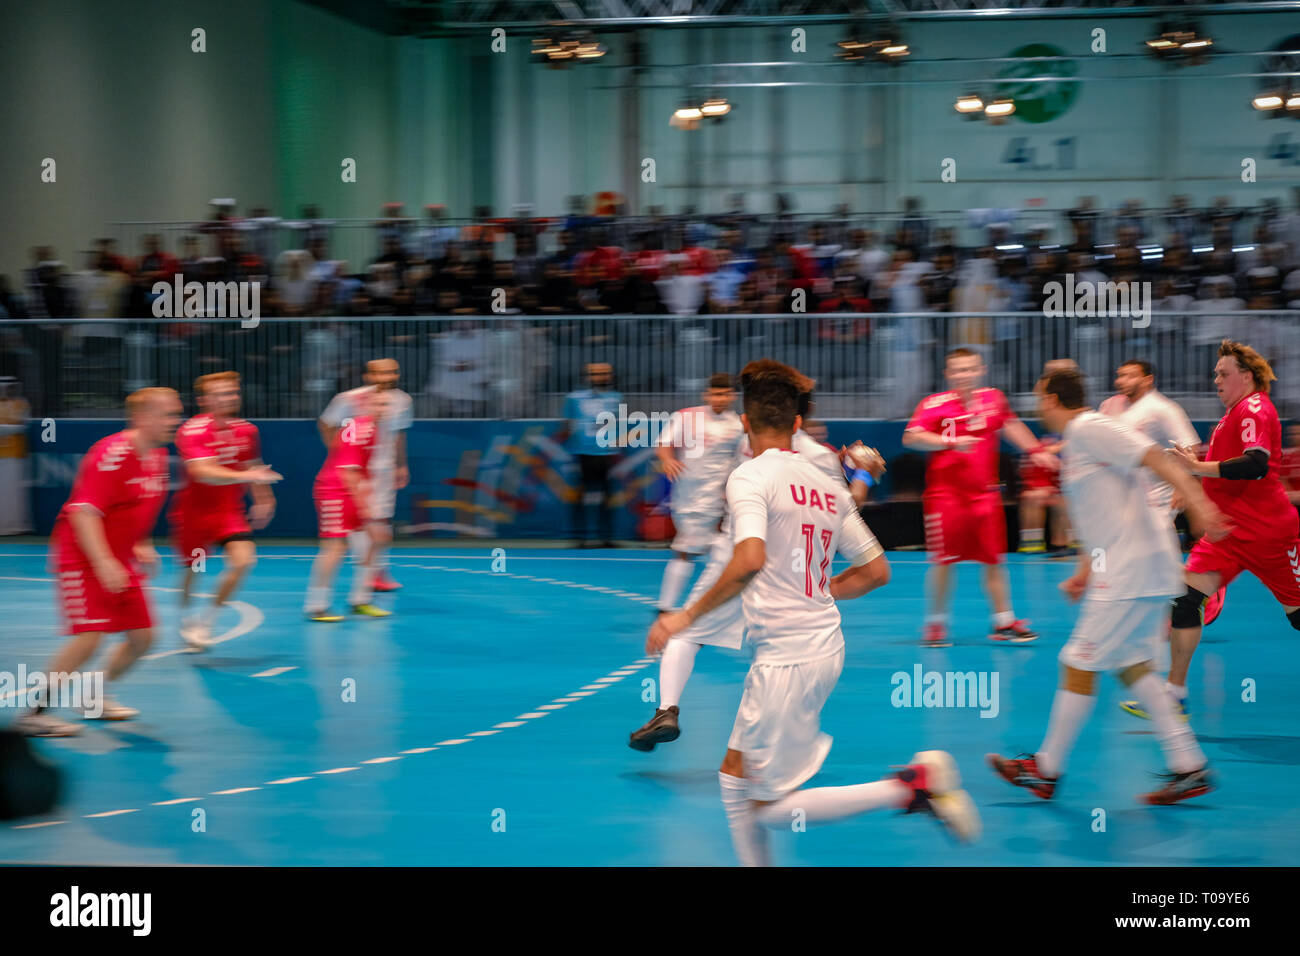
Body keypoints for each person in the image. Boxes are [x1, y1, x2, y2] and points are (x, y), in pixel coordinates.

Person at [648, 359, 978, 866]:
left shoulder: (749, 476)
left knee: (768, 807)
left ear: (744, 421)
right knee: (735, 777)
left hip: (786, 659)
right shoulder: (825, 482)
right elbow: (875, 572)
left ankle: (911, 787)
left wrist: (682, 618)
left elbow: (749, 559)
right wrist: (820, 588)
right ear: (797, 423)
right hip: (824, 644)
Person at [988, 367, 1227, 805]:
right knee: (1134, 666)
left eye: (1041, 397)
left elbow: (1156, 456)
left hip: (1130, 570)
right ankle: (1189, 765)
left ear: (1056, 400)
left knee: (1077, 662)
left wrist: (1199, 502)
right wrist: (1084, 570)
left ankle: (1046, 769)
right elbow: (1102, 512)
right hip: (1128, 567)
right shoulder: (1079, 441)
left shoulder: (1090, 427)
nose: (1038, 405)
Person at [628, 378, 885, 752]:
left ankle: (667, 709)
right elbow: (848, 511)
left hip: (740, 552)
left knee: (687, 631)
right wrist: (861, 473)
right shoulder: (818, 457)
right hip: (795, 577)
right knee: (777, 660)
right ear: (798, 420)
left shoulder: (742, 439)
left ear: (751, 418)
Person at [1142, 340, 1300, 720]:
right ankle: (1173, 694)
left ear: (1245, 376)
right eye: (1215, 373)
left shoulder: (1255, 408)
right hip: (1227, 534)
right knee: (1184, 602)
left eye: (1223, 373)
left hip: (1269, 535)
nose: (1216, 379)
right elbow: (1222, 470)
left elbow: (1256, 464)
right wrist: (1193, 489)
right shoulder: (1232, 415)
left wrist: (1194, 470)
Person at [18, 388, 183, 736]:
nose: (175, 421)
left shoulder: (155, 458)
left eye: (176, 414)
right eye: (167, 415)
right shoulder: (112, 454)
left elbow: (134, 508)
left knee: (143, 638)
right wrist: (105, 561)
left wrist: (142, 544)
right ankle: (33, 714)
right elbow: (83, 513)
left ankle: (92, 696)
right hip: (82, 556)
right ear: (141, 418)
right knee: (90, 637)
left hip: (118, 559)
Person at [902, 348, 1059, 647]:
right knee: (943, 562)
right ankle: (935, 625)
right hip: (945, 498)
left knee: (994, 560)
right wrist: (951, 441)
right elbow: (911, 437)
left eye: (969, 369)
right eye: (957, 370)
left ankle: (1004, 622)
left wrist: (1037, 452)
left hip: (984, 496)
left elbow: (1011, 425)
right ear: (948, 374)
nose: (963, 375)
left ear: (981, 370)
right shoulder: (934, 404)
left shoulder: (993, 399)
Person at [171, 372, 282, 649]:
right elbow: (202, 471)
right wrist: (249, 479)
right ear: (203, 400)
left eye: (232, 392)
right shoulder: (192, 430)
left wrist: (264, 497)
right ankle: (186, 618)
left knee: (244, 562)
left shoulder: (247, 430)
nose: (229, 398)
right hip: (193, 515)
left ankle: (206, 622)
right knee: (194, 571)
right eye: (220, 394)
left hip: (228, 513)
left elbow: (253, 465)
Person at [319, 358, 413, 593]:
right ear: (368, 376)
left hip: (384, 470)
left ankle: (375, 572)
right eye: (380, 374)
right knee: (362, 520)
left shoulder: (403, 400)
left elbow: (399, 434)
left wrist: (401, 465)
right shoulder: (347, 399)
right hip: (355, 472)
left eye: (392, 372)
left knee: (380, 520)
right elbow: (326, 424)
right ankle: (371, 575)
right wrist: (342, 457)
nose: (386, 378)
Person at [653, 373, 744, 615]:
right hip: (689, 497)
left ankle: (675, 606)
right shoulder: (685, 416)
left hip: (722, 497)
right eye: (715, 393)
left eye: (725, 394)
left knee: (710, 550)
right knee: (692, 550)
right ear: (707, 394)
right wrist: (668, 460)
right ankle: (669, 607)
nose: (720, 398)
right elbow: (663, 445)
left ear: (732, 396)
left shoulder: (738, 425)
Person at [304, 390, 389, 621]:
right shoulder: (359, 429)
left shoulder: (372, 428)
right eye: (378, 404)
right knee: (335, 548)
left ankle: (360, 600)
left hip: (352, 491)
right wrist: (366, 508)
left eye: (386, 405)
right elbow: (349, 472)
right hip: (335, 491)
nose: (383, 409)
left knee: (376, 540)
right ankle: (317, 605)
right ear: (365, 405)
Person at [556, 363, 624, 548]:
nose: (600, 377)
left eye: (604, 373)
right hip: (582, 452)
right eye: (595, 374)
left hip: (606, 452)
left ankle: (606, 537)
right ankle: (580, 538)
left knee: (606, 496)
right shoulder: (574, 398)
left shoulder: (616, 398)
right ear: (588, 376)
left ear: (610, 376)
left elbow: (617, 424)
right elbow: (567, 425)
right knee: (581, 496)